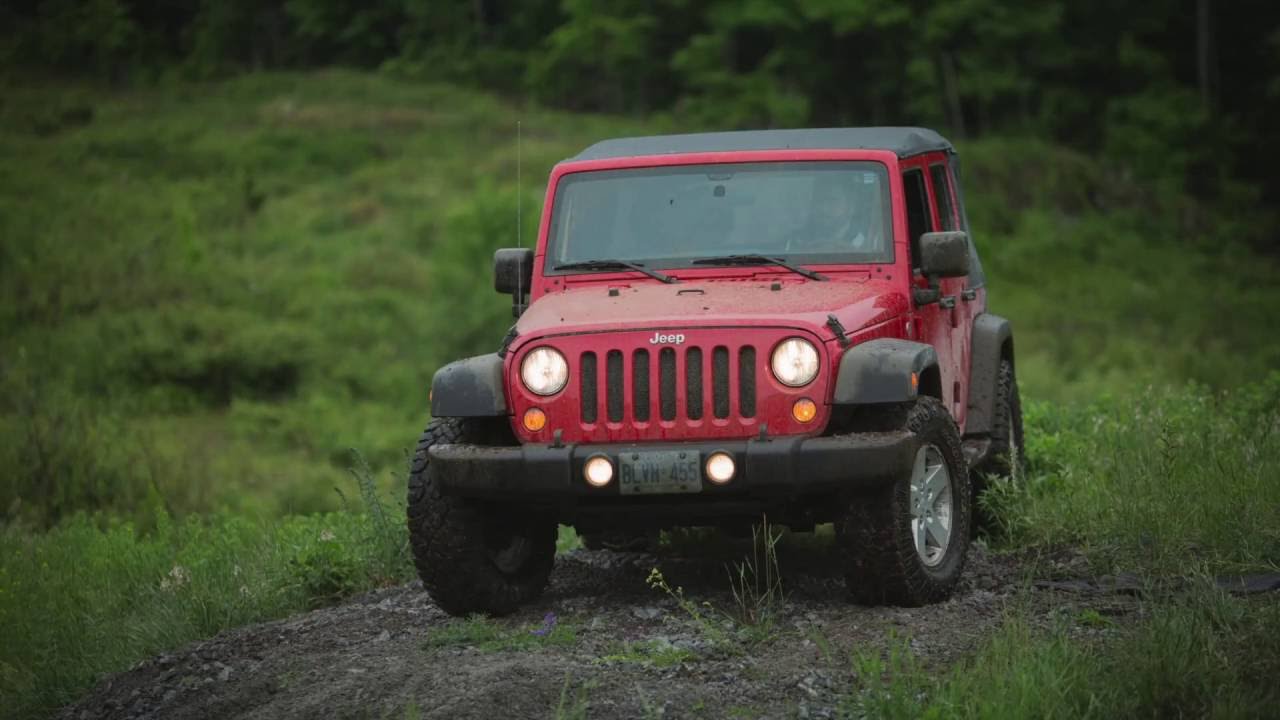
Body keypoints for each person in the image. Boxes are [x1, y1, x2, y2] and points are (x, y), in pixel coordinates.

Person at [786, 174, 881, 254]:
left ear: (850, 206)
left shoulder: (868, 245)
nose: (823, 208)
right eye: (819, 200)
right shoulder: (794, 242)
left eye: (832, 201)